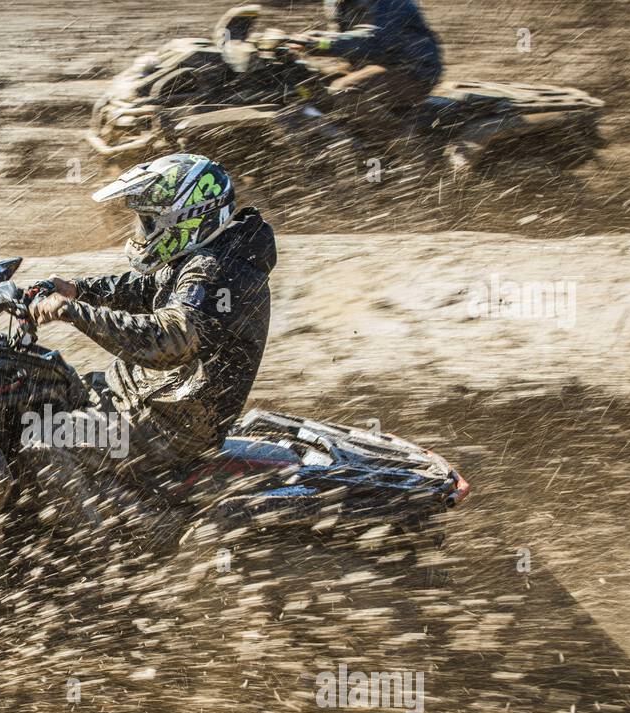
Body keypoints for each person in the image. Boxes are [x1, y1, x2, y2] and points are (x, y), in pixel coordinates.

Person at [24, 153, 276, 529]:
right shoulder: (210, 253)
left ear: (186, 217)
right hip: (152, 398)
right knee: (44, 389)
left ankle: (110, 547)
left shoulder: (215, 272)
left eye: (149, 221)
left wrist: (72, 312)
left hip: (174, 424)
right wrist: (77, 290)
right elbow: (147, 288)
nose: (142, 232)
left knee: (43, 438)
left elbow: (168, 340)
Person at [295, 0, 443, 132]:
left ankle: (405, 144)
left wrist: (322, 43)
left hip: (413, 71)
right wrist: (306, 38)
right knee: (312, 83)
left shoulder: (391, 3)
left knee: (341, 90)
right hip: (375, 66)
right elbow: (343, 38)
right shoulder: (337, 3)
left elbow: (374, 40)